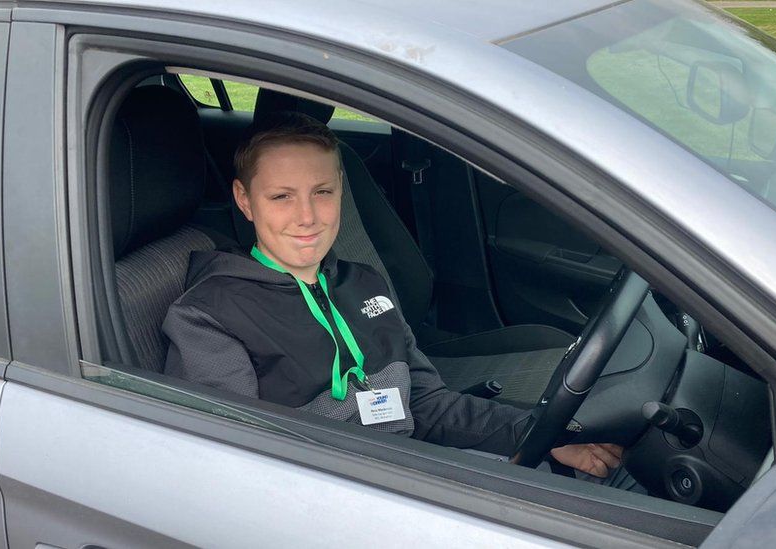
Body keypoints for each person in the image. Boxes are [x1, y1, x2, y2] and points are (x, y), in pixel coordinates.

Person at [162, 111, 623, 478]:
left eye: (322, 191)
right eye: (282, 197)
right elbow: (238, 465)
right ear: (244, 201)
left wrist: (541, 436)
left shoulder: (364, 283)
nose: (307, 216)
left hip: (412, 464)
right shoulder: (209, 314)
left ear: (341, 189)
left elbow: (425, 403)